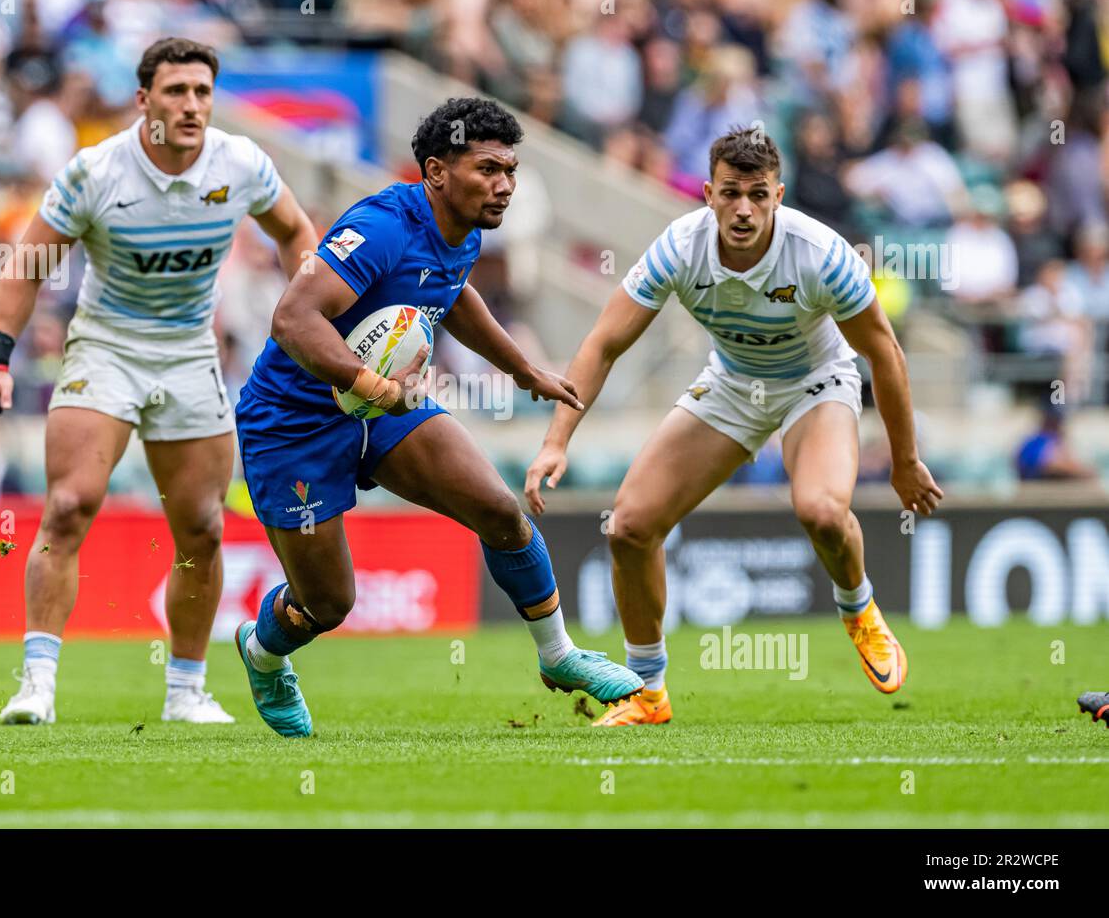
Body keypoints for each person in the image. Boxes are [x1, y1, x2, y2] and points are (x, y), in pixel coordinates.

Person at [233, 97, 642, 737]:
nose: (504, 184)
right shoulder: (383, 227)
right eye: (487, 169)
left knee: (500, 511)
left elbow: (453, 294)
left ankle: (559, 656)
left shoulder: (464, 231)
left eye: (510, 169)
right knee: (329, 603)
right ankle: (261, 655)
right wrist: (371, 382)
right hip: (295, 421)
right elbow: (292, 319)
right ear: (436, 171)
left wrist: (521, 370)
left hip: (385, 408)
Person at [526, 127, 943, 727]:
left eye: (756, 195)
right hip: (729, 386)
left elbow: (886, 355)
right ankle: (647, 691)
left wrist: (904, 461)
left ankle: (858, 607)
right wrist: (554, 442)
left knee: (823, 512)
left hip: (816, 383)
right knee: (630, 528)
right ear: (707, 194)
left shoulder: (820, 253)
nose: (742, 209)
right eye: (729, 194)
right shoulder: (680, 247)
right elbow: (604, 343)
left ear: (778, 194)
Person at [0, 37, 319, 726]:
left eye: (202, 93)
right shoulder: (96, 171)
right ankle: (36, 684)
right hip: (107, 346)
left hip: (189, 353)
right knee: (70, 504)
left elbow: (297, 233)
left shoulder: (240, 163)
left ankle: (185, 693)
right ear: (143, 100)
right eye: (176, 92)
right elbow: (26, 264)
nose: (192, 105)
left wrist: (307, 312)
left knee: (203, 529)